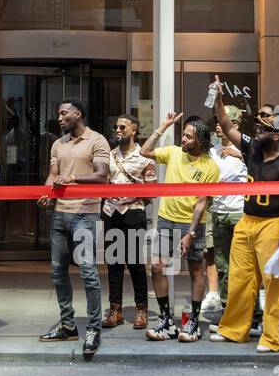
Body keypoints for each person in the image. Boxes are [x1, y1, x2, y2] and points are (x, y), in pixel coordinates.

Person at [209, 93, 279, 352]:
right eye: (257, 127)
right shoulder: (251, 149)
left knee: (274, 283)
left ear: (275, 135)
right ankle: (234, 330)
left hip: (274, 224)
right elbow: (227, 126)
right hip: (247, 221)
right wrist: (218, 99)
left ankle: (273, 337)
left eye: (263, 129)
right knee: (239, 278)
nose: (257, 131)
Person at [37, 100, 111, 359]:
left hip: (85, 214)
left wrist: (73, 179)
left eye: (63, 113)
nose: (59, 118)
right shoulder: (59, 144)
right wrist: (48, 192)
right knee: (58, 273)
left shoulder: (97, 140)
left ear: (78, 114)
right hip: (60, 215)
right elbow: (53, 174)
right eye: (58, 113)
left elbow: (102, 175)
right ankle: (68, 325)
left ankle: (93, 328)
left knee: (89, 273)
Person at [140, 111, 219, 342]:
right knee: (157, 266)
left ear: (201, 141)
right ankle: (166, 320)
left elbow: (202, 203)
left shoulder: (210, 166)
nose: (183, 139)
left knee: (196, 271)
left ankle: (193, 322)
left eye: (188, 137)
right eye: (183, 135)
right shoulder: (174, 152)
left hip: (192, 223)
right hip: (166, 218)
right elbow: (144, 151)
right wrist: (162, 126)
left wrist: (191, 233)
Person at [101, 115, 156, 330]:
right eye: (115, 126)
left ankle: (141, 309)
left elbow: (151, 191)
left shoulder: (144, 157)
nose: (118, 130)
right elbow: (104, 183)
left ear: (133, 130)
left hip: (133, 213)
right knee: (114, 264)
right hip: (111, 213)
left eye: (122, 127)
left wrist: (130, 197)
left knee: (135, 264)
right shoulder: (109, 156)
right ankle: (115, 310)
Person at [204, 103, 248, 315]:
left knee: (242, 265)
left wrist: (241, 155)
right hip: (218, 213)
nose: (218, 127)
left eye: (222, 122)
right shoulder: (211, 152)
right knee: (222, 266)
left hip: (241, 213)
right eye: (216, 122)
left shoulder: (248, 150)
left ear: (235, 124)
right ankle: (227, 310)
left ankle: (249, 312)